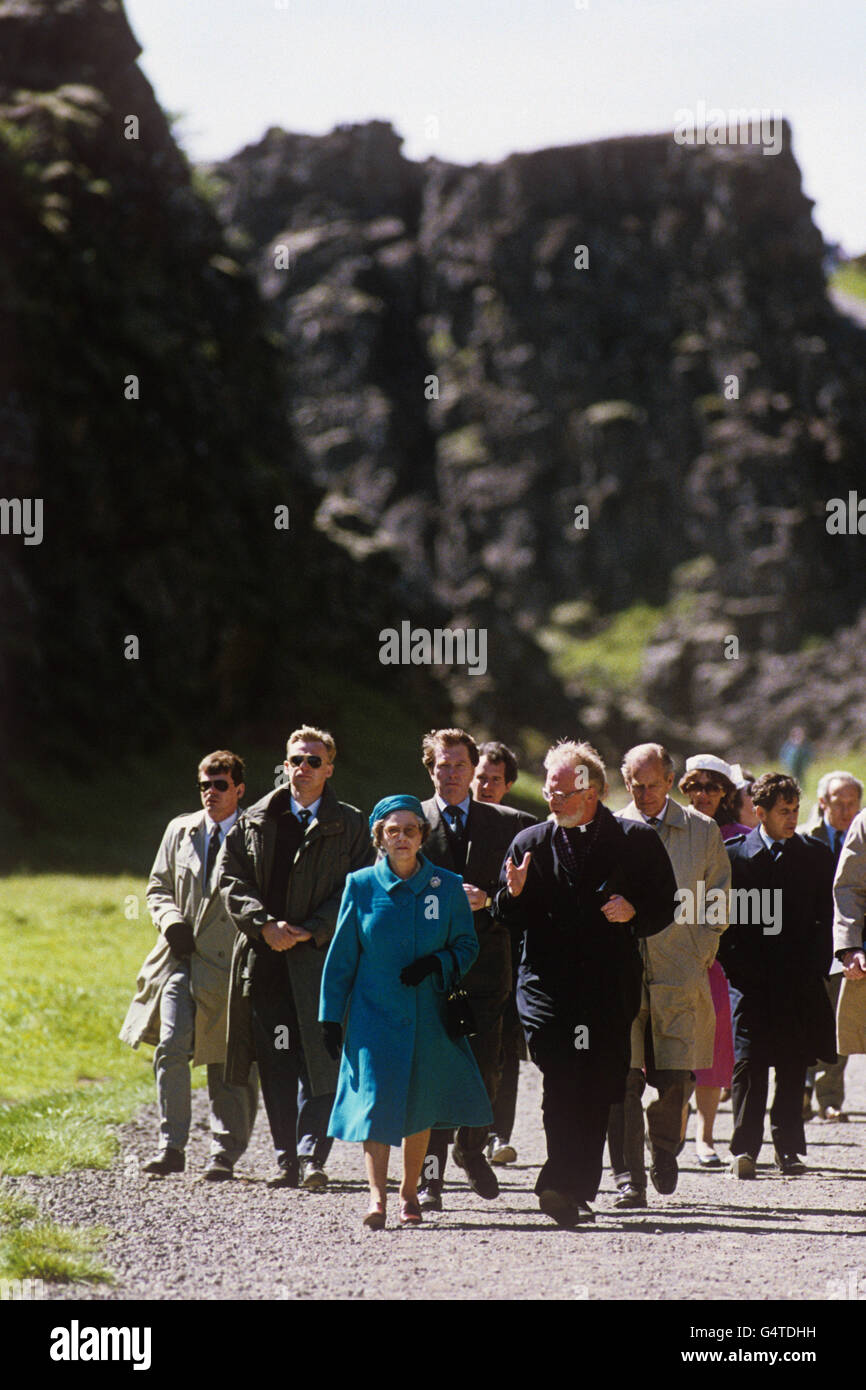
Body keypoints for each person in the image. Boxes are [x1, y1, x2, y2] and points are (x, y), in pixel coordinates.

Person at [495, 740, 677, 1227]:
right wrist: (511, 895)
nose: (551, 800)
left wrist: (634, 910)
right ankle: (559, 1184)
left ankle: (574, 1188)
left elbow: (666, 904)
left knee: (597, 1084)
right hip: (546, 986)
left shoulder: (635, 842)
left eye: (562, 792)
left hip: (606, 987)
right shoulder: (529, 843)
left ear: (592, 792)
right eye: (549, 791)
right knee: (560, 1078)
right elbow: (505, 913)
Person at [319, 796, 492, 1228]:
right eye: (392, 831)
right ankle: (376, 1198)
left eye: (410, 830)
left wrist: (437, 964)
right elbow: (342, 956)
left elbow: (468, 945)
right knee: (375, 1104)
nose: (401, 838)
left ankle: (409, 1193)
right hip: (371, 1015)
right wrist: (329, 1015)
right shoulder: (359, 885)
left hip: (429, 1014)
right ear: (379, 836)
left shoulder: (448, 885)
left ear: (422, 836)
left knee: (419, 1105)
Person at [220, 725, 372, 1189]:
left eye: (312, 761)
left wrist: (313, 929)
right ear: (284, 765)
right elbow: (231, 879)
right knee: (278, 1058)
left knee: (320, 1060)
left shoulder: (349, 823)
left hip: (322, 962)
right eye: (294, 760)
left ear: (329, 768)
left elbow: (359, 884)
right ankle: (287, 1156)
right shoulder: (255, 819)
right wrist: (265, 925)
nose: (301, 769)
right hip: (267, 962)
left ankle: (313, 1157)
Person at [120, 750, 258, 1179]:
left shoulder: (256, 834)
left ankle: (224, 1152)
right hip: (181, 957)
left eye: (220, 785)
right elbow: (157, 886)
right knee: (171, 1046)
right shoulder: (179, 830)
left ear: (239, 789)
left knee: (229, 1059)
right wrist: (170, 921)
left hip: (232, 963)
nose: (210, 793)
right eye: (204, 785)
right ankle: (171, 1145)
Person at [417, 728, 533, 1210]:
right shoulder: (410, 822)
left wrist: (493, 899)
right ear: (430, 769)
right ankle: (430, 1178)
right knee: (434, 1074)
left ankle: (471, 1146)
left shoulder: (510, 824)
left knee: (486, 1068)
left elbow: (527, 901)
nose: (451, 775)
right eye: (442, 766)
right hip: (432, 971)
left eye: (460, 766)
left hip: (487, 968)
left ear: (473, 769)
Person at [610, 745, 730, 1205]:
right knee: (623, 1079)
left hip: (680, 970)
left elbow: (718, 897)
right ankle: (629, 1179)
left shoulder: (702, 831)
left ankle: (663, 1147)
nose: (643, 794)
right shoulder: (612, 828)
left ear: (669, 782)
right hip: (623, 973)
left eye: (652, 785)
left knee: (677, 1078)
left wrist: (702, 948)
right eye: (635, 786)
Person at [720, 773, 836, 1178]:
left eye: (795, 810)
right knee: (749, 1066)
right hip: (750, 983)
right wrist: (736, 970)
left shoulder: (816, 856)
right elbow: (722, 921)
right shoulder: (733, 856)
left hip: (798, 981)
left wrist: (817, 968)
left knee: (791, 1065)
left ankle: (788, 1150)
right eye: (783, 812)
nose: (792, 819)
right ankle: (744, 1150)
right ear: (760, 812)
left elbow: (826, 920)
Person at [675, 754, 744, 1167]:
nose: (703, 795)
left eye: (712, 787)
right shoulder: (671, 828)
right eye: (696, 786)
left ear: (725, 793)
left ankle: (705, 1136)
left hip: (721, 955)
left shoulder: (739, 837)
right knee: (674, 1042)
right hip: (674, 947)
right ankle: (672, 1127)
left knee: (715, 1046)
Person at [471, 739, 537, 1167]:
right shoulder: (445, 823)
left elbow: (529, 893)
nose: (487, 785)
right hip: (456, 955)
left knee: (504, 1048)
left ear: (509, 784)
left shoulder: (522, 826)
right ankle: (461, 1131)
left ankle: (499, 1134)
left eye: (496, 779)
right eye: (482, 777)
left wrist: (493, 899)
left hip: (507, 950)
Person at [802, 772, 863, 1121]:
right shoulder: (805, 838)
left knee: (840, 1020)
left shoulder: (861, 836)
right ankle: (803, 1089)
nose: (845, 810)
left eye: (852, 803)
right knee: (807, 1017)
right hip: (809, 943)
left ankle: (830, 1098)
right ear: (823, 802)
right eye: (838, 803)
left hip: (845, 945)